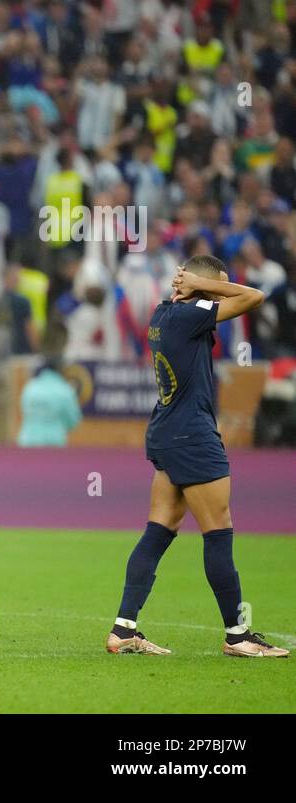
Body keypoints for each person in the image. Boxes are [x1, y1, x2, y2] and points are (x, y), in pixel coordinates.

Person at [107, 255, 288, 658]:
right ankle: (237, 635)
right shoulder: (192, 314)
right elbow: (255, 296)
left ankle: (124, 628)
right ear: (200, 286)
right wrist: (203, 286)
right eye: (218, 285)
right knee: (219, 531)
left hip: (167, 431)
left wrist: (198, 286)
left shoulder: (163, 311)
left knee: (159, 530)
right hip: (192, 435)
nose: (225, 289)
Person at [16, 358, 81, 447]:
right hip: (54, 441)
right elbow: (73, 420)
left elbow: (23, 410)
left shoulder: (30, 386)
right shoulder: (65, 390)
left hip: (28, 440)